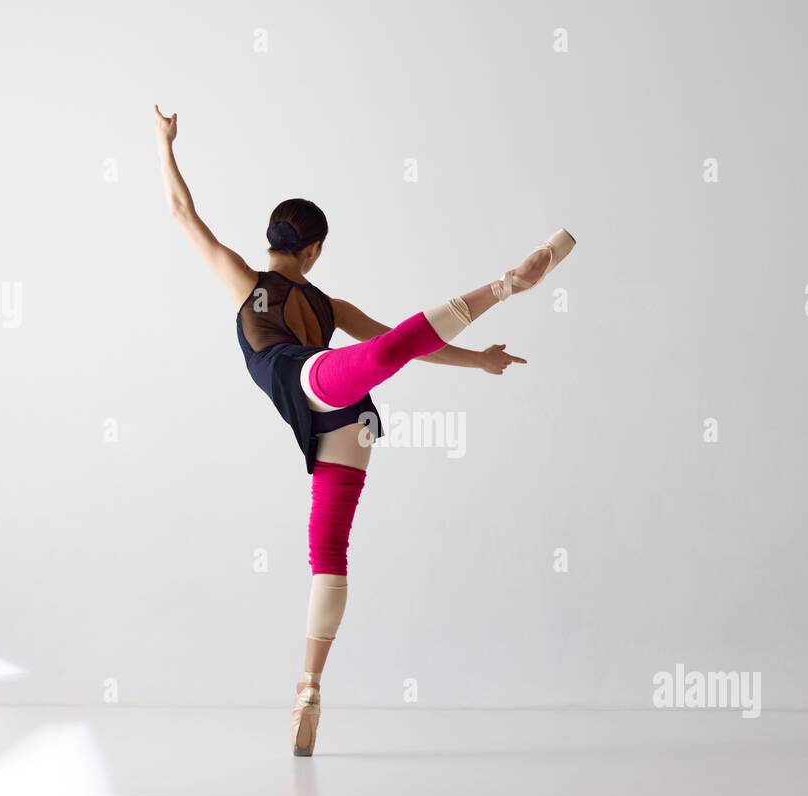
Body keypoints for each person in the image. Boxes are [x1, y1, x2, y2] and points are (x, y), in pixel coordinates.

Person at [154, 105, 575, 755]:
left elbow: (183, 214)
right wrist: (479, 362)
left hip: (316, 386)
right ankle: (308, 686)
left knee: (329, 538)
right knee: (330, 547)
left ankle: (503, 285)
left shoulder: (248, 282)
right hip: (345, 412)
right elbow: (407, 347)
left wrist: (164, 142)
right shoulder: (327, 303)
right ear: (315, 249)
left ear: (273, 240)